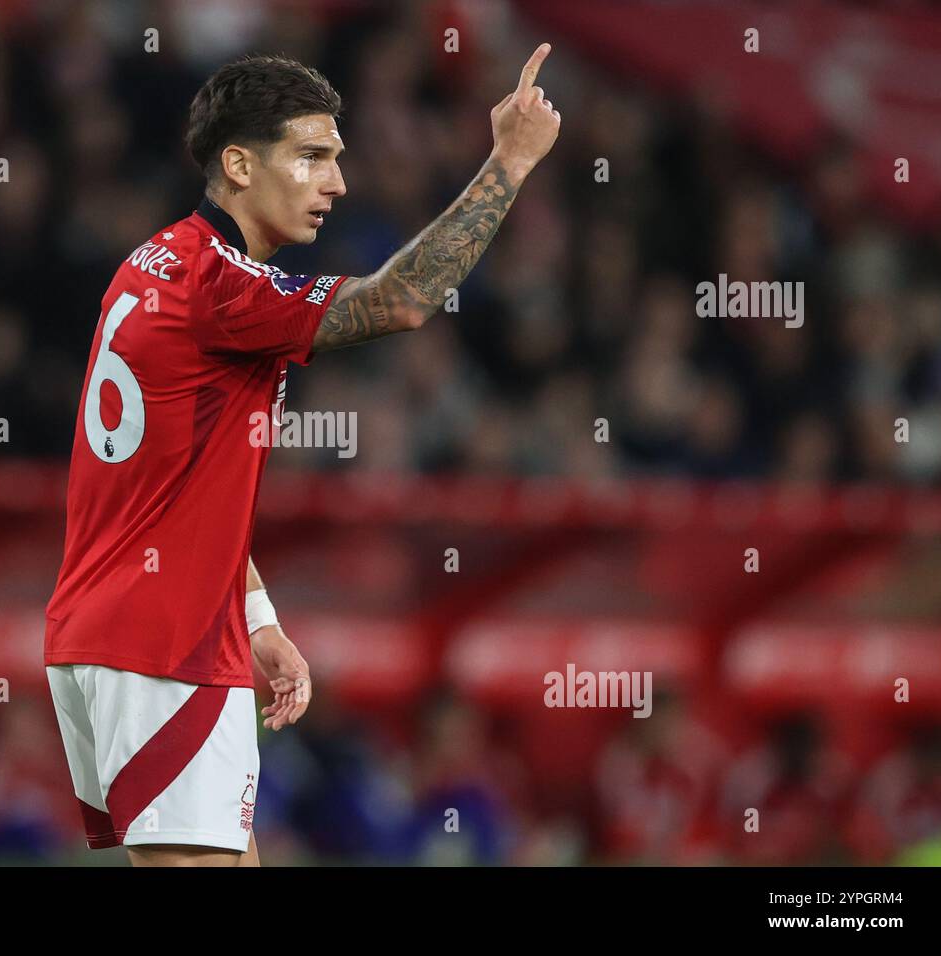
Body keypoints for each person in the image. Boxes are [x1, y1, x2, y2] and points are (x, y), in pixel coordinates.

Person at [45, 44, 561, 867]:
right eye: (313, 157)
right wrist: (509, 161)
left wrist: (258, 621)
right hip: (163, 649)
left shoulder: (151, 262)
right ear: (240, 165)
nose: (337, 183)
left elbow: (175, 493)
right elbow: (403, 300)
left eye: (338, 159)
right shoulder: (218, 289)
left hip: (124, 632)